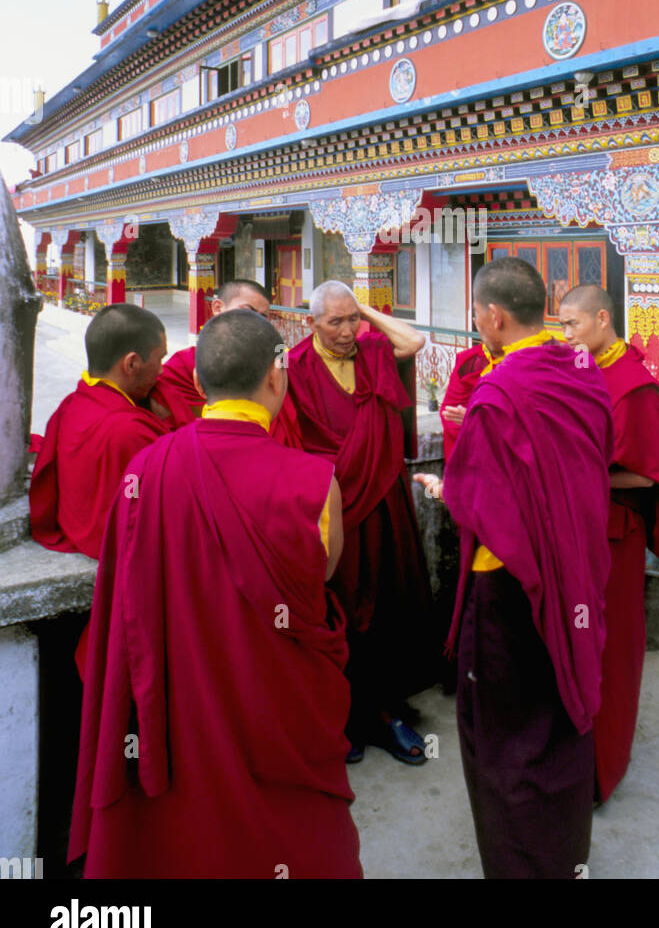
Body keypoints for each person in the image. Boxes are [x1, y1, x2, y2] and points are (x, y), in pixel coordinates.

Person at [69, 309, 362, 880]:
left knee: (191, 835)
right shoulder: (313, 482)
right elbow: (321, 578)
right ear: (277, 378)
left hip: (182, 704)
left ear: (199, 385)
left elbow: (126, 599)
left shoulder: (146, 469)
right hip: (278, 704)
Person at [415, 257, 613, 878]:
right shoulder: (580, 370)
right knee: (557, 724)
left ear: (495, 316)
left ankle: (525, 868)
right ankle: (568, 856)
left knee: (505, 738)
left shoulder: (497, 393)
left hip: (510, 586)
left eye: (477, 314)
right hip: (577, 567)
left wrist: (443, 489)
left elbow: (481, 498)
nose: (479, 324)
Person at [285, 280, 433, 765]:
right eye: (335, 322)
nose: (347, 331)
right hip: (334, 510)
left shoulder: (373, 348)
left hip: (385, 502)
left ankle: (386, 712)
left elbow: (412, 343)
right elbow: (290, 444)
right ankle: (345, 712)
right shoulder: (296, 366)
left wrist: (361, 307)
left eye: (353, 319)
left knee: (389, 601)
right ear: (312, 323)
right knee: (344, 609)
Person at [558, 283, 659, 803]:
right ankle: (571, 748)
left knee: (613, 646)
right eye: (560, 325)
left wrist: (579, 475)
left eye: (572, 324)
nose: (564, 335)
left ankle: (603, 767)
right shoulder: (581, 370)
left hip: (615, 535)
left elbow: (654, 476)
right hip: (573, 527)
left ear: (603, 319)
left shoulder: (635, 389)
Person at [30, 304, 169, 675]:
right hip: (124, 581)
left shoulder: (73, 403)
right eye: (161, 359)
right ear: (132, 363)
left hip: (77, 536)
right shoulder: (129, 431)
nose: (163, 372)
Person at [150, 278, 302, 447]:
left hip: (265, 453)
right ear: (217, 308)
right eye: (247, 311)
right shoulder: (186, 362)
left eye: (263, 317)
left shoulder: (276, 357)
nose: (256, 322)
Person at [439, 343, 486, 464]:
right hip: (472, 456)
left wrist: (482, 422)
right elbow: (449, 412)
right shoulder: (471, 361)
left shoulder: (534, 359)